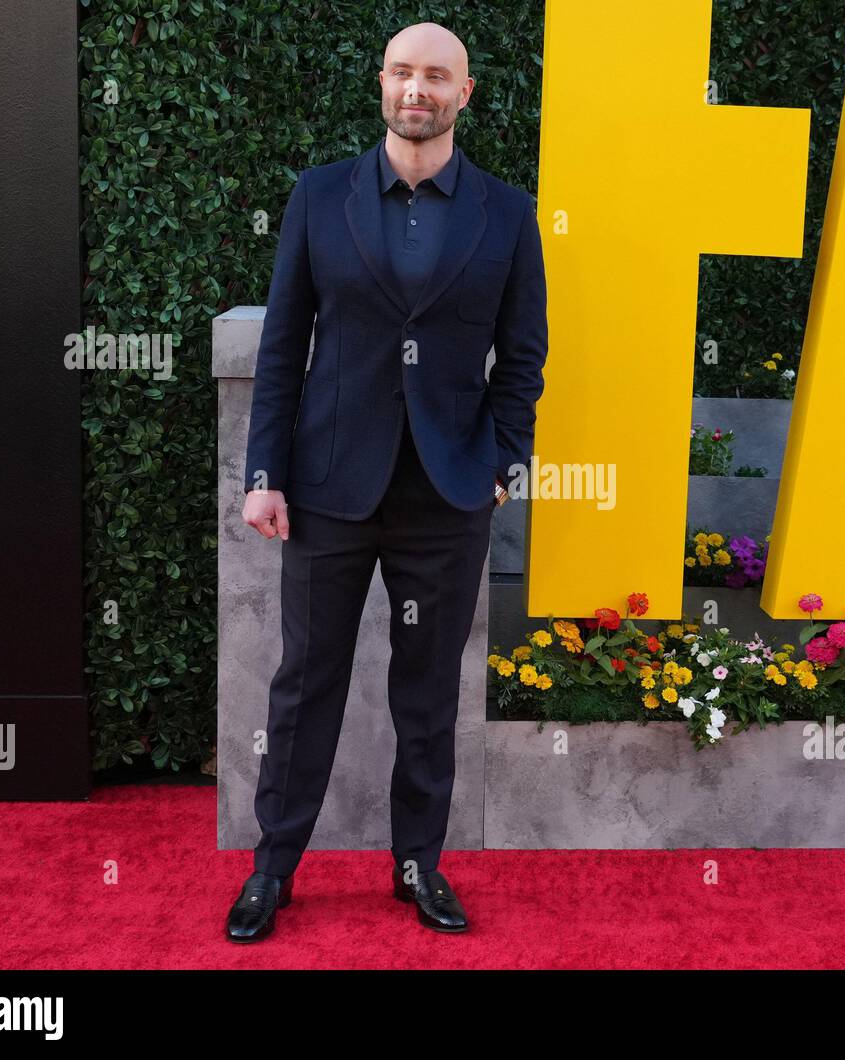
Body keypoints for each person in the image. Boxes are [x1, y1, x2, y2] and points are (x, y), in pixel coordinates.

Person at [225, 21, 547, 942]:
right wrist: (263, 474)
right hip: (328, 487)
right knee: (304, 685)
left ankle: (420, 869)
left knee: (427, 694)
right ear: (382, 85)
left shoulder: (506, 213)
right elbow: (284, 346)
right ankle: (273, 871)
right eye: (404, 72)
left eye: (436, 76)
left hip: (446, 496)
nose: (418, 89)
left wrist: (501, 464)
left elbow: (522, 356)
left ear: (465, 93)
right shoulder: (320, 197)